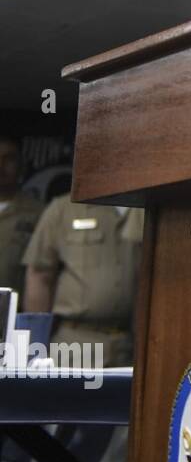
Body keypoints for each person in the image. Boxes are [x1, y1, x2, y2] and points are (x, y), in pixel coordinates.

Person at [22, 194, 144, 368]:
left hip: (128, 346)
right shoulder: (63, 209)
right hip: (74, 344)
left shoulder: (146, 206)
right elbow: (40, 275)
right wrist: (36, 344)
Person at [0, 134, 44, 298]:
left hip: (13, 315)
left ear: (21, 165)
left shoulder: (39, 213)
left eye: (8, 159)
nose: (0, 165)